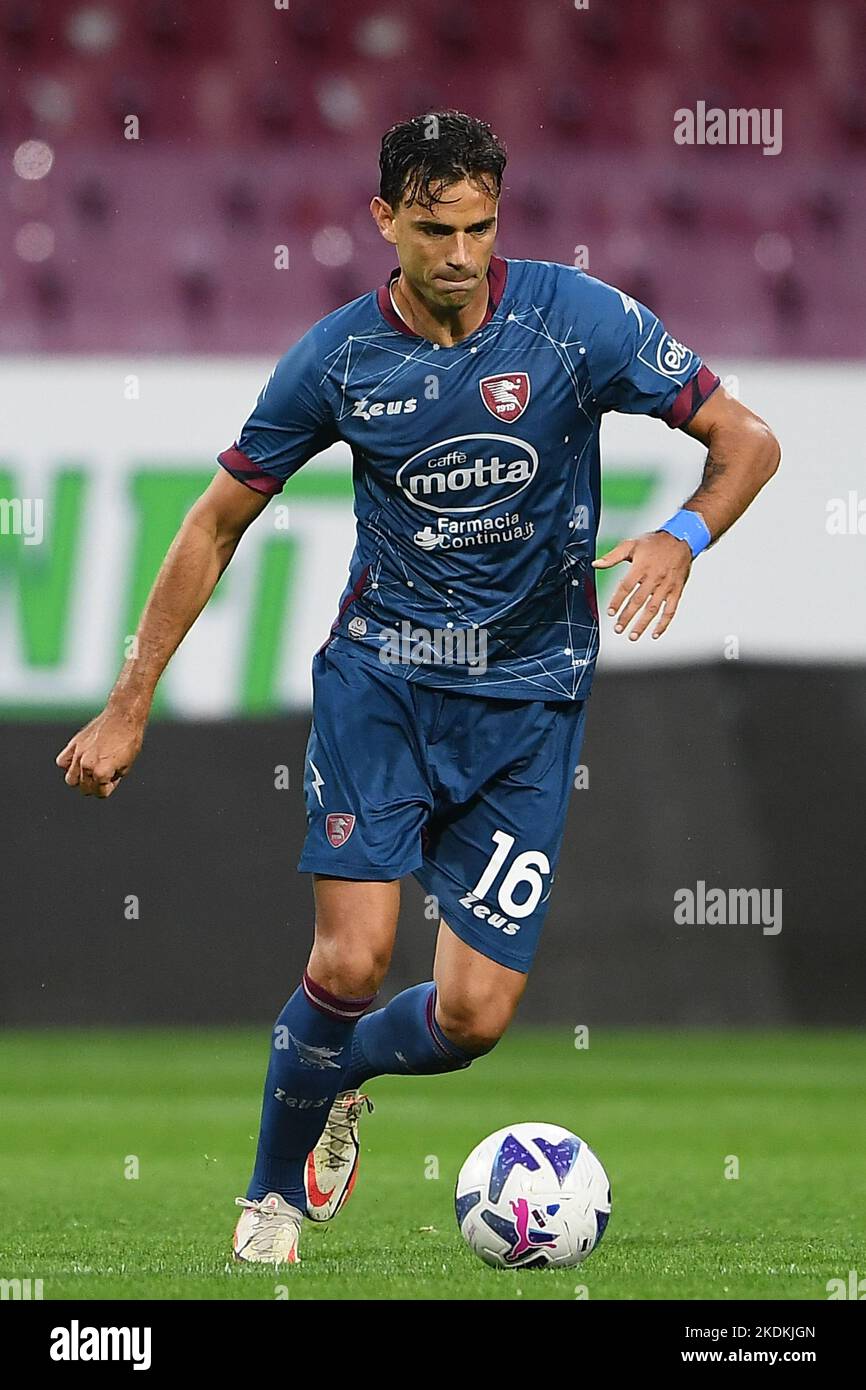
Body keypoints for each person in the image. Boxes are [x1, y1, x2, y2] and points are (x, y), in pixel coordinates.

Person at [56, 111, 781, 1265]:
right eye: (434, 229)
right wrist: (131, 697)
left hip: (532, 702)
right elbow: (215, 522)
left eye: (480, 228)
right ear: (384, 218)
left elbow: (745, 437)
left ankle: (335, 1079)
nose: (459, 255)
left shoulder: (573, 321)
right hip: (383, 682)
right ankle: (268, 1201)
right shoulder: (338, 358)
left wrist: (682, 535)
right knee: (348, 962)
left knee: (470, 1020)